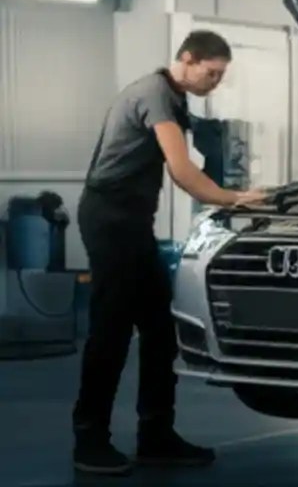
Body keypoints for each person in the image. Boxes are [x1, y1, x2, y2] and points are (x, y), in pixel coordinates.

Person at [72, 30, 269, 476]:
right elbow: (182, 172)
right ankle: (89, 440)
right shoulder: (156, 94)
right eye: (212, 73)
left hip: (133, 223)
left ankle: (156, 437)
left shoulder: (174, 100)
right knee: (112, 329)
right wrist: (234, 198)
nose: (215, 82)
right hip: (109, 219)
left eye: (221, 76)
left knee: (161, 329)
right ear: (187, 58)